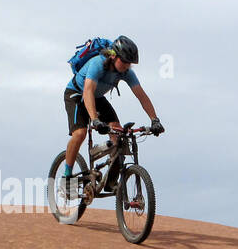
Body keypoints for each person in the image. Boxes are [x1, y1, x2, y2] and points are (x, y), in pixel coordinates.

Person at [62, 35, 164, 183]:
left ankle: (111, 180)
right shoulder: (97, 64)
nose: (127, 66)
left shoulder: (126, 72)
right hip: (77, 94)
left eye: (130, 63)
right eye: (124, 61)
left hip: (97, 98)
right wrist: (95, 120)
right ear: (114, 56)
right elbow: (88, 91)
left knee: (117, 132)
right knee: (80, 134)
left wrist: (154, 120)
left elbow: (141, 95)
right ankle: (67, 176)